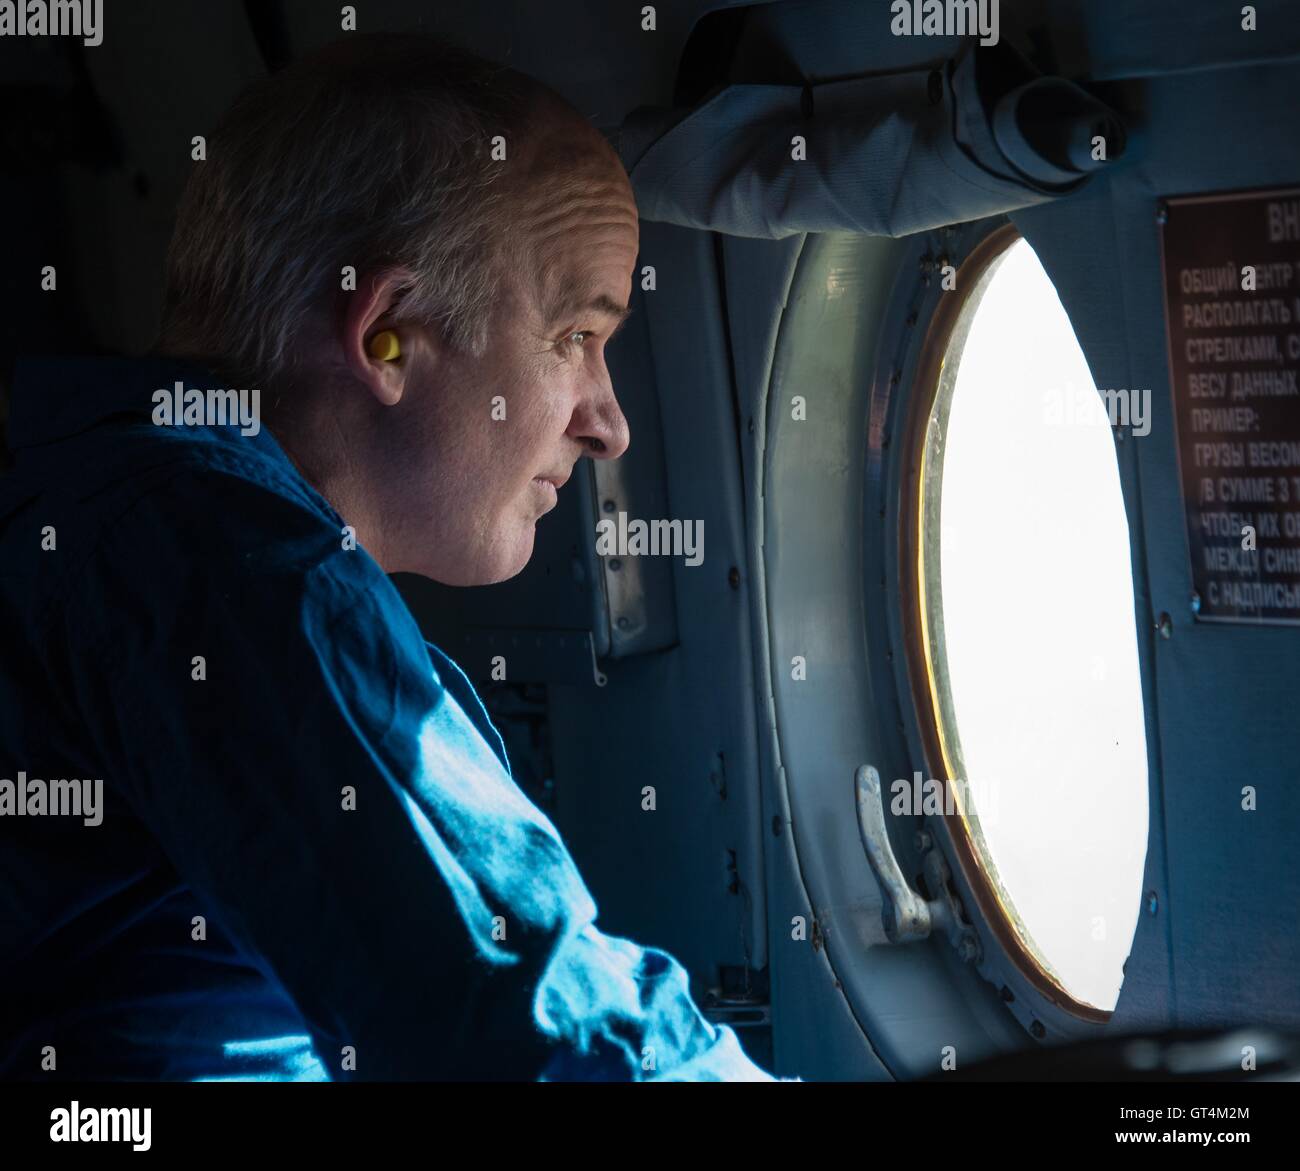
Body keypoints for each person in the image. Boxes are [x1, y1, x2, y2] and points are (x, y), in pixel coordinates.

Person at [0, 33, 774, 1082]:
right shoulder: (243, 571)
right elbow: (520, 1025)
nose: (608, 423)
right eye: (572, 338)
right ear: (388, 337)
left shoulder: (95, 489)